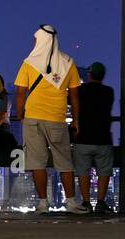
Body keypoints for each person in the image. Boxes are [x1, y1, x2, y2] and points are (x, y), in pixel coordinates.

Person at [14, 25, 88, 215]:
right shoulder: (68, 63)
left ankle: (42, 204)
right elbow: (75, 96)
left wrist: (21, 114)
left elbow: (21, 93)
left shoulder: (29, 63)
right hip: (57, 118)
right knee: (64, 161)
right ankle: (71, 202)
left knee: (37, 162)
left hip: (33, 118)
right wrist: (77, 121)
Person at [72, 62, 116, 216]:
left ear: (89, 74)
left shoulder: (80, 91)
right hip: (103, 137)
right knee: (104, 171)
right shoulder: (109, 92)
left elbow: (71, 101)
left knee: (83, 171)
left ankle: (85, 202)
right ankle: (101, 203)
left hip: (83, 137)